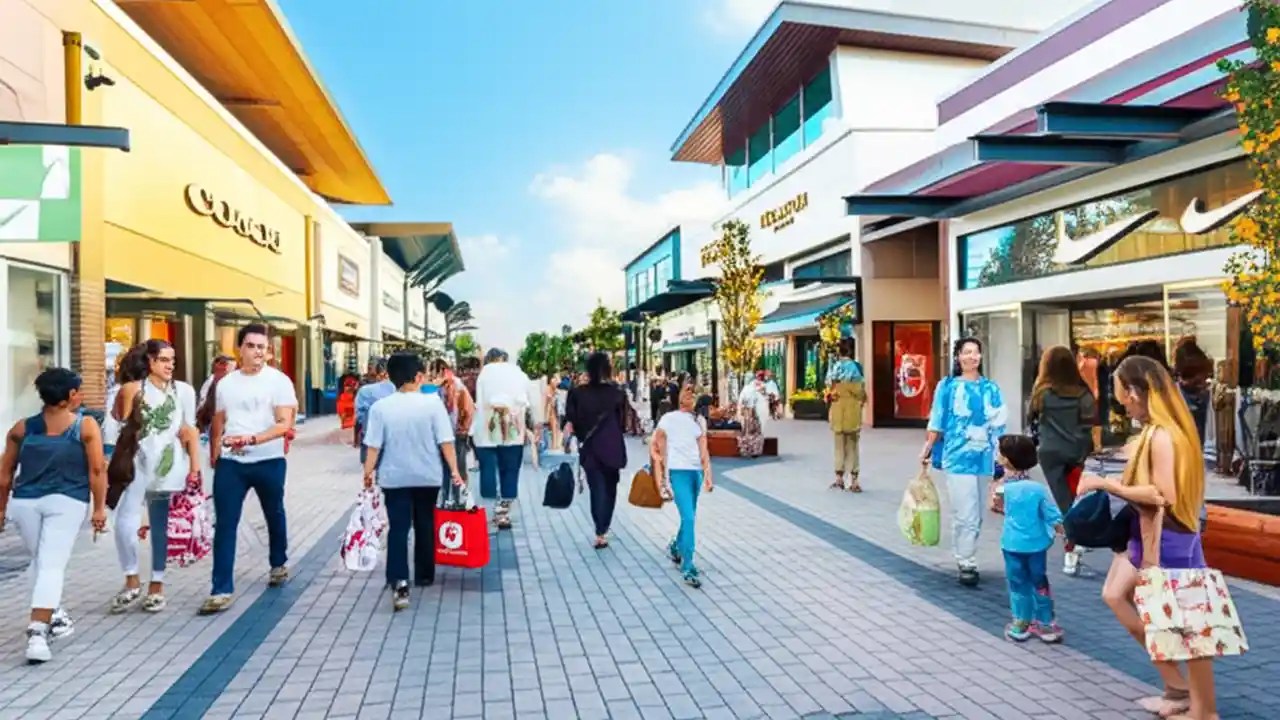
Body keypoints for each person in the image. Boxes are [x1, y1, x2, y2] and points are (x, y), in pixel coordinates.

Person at [1078, 355, 1218, 719]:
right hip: (1158, 534)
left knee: (1186, 625)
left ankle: (1199, 706)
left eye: (1120, 390)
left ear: (1137, 392)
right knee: (1121, 597)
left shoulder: (1161, 435)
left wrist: (1103, 482)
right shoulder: (1165, 431)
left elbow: (1163, 495)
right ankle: (1181, 690)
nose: (1119, 399)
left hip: (1165, 536)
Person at [0, 368, 108, 663]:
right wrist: (99, 508)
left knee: (42, 561)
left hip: (24, 504)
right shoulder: (85, 426)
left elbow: (4, 475)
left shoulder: (21, 428)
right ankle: (37, 632)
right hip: (67, 502)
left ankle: (56, 614)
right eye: (79, 390)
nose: (81, 395)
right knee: (50, 565)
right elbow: (97, 470)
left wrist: (0, 509)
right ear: (70, 396)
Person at [201, 324, 298, 615]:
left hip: (268, 459)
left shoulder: (279, 381)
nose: (258, 352)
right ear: (240, 349)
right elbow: (219, 418)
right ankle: (221, 589)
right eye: (252, 346)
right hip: (232, 463)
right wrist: (215, 450)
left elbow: (285, 423)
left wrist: (253, 439)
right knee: (226, 523)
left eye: (262, 347)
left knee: (274, 512)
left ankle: (278, 562)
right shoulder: (226, 383)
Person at [364, 353, 464, 610]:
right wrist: (455, 471)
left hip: (393, 477)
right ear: (419, 377)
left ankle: (399, 579)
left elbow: (373, 446)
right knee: (425, 523)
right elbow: (446, 442)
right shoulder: (433, 405)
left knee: (398, 528)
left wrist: (367, 473)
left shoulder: (380, 408)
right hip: (428, 476)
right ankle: (424, 574)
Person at [108, 340, 201, 614]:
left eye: (172, 360)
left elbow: (189, 430)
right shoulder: (131, 389)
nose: (170, 365)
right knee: (124, 519)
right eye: (163, 360)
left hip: (169, 463)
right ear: (149, 361)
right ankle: (131, 577)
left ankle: (157, 583)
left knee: (161, 524)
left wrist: (195, 468)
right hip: (136, 460)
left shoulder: (183, 391)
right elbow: (116, 425)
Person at [920, 337, 1007, 587]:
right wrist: (927, 447)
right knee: (965, 511)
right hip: (956, 457)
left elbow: (999, 425)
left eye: (976, 352)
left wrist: (1002, 457)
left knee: (977, 512)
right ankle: (966, 560)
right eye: (967, 352)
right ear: (958, 357)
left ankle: (966, 552)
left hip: (983, 458)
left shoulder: (991, 388)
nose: (972, 357)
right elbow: (936, 420)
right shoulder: (947, 386)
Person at [1028, 345, 1097, 576]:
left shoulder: (1042, 392)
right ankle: (1078, 540)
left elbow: (1032, 420)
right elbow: (1090, 424)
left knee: (1063, 501)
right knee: (1079, 497)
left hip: (1050, 453)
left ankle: (1073, 547)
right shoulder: (1083, 393)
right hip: (1079, 452)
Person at [993, 434, 1064, 643]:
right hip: (1036, 545)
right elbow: (1052, 515)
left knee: (1017, 583)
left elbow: (995, 506)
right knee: (1040, 581)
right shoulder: (1038, 489)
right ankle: (1045, 623)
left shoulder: (1003, 489)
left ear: (1006, 459)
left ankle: (1021, 622)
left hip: (1012, 544)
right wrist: (1063, 533)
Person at [651, 385, 714, 588]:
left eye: (693, 394)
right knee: (688, 517)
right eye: (687, 393)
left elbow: (704, 451)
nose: (690, 397)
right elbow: (654, 446)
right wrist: (661, 475)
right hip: (677, 472)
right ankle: (688, 566)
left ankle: (677, 546)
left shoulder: (699, 421)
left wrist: (708, 475)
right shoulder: (668, 419)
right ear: (680, 398)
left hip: (694, 473)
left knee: (690, 517)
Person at [564, 353, 628, 549]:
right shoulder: (617, 393)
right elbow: (624, 423)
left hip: (590, 448)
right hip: (612, 446)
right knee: (610, 489)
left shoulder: (577, 393)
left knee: (596, 489)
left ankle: (599, 531)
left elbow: (571, 421)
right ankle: (604, 528)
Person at [471, 348, 540, 529]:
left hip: (486, 431)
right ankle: (504, 513)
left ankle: (491, 508)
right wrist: (536, 424)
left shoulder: (484, 374)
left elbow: (479, 401)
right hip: (513, 431)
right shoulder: (519, 374)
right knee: (509, 470)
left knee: (488, 469)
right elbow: (532, 400)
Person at [826, 338, 866, 492]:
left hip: (837, 410)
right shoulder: (856, 368)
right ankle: (854, 480)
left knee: (838, 446)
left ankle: (839, 478)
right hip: (852, 410)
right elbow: (860, 392)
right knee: (853, 445)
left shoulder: (834, 368)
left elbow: (828, 389)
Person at [429, 358, 475, 481]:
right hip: (446, 431)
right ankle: (448, 496)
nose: (431, 376)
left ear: (441, 371)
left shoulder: (454, 385)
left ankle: (459, 495)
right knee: (446, 466)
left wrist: (462, 429)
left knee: (458, 465)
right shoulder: (441, 386)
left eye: (433, 372)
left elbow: (466, 408)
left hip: (457, 431)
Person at [354, 358, 392, 465]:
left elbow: (359, 415)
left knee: (371, 465)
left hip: (370, 436)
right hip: (393, 438)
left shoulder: (365, 391)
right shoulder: (400, 389)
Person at [737, 372, 770, 458]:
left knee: (746, 430)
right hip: (753, 412)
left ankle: (745, 449)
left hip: (746, 413)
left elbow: (740, 401)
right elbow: (760, 401)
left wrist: (740, 412)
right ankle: (755, 450)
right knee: (755, 431)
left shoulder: (745, 389)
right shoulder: (755, 389)